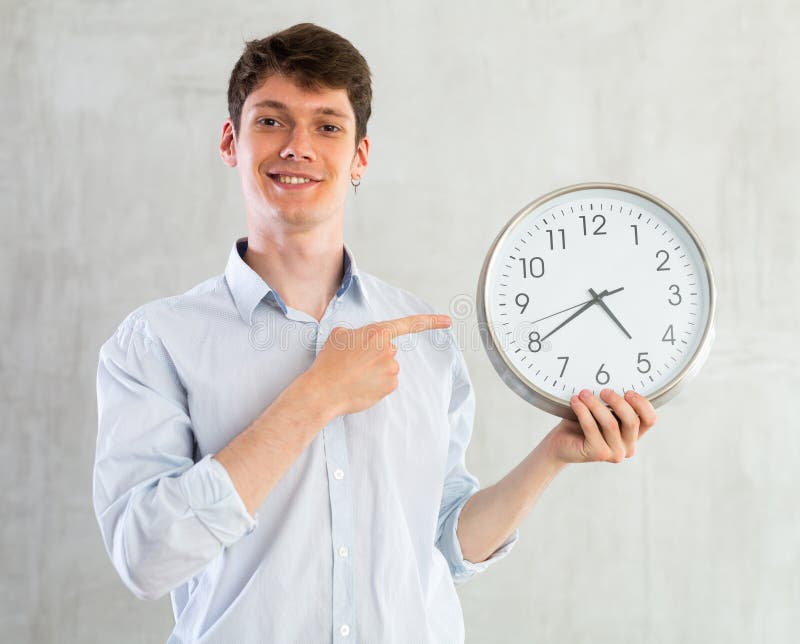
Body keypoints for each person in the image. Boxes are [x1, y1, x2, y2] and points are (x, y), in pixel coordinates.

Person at [92, 22, 657, 644]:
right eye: (272, 121)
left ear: (360, 155)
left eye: (328, 126)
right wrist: (315, 398)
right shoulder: (155, 342)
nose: (298, 147)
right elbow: (146, 558)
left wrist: (552, 454)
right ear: (232, 140)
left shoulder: (427, 338)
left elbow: (443, 543)